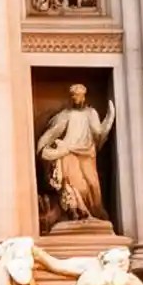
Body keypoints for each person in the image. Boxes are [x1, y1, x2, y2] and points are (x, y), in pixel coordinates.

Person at [36, 83, 115, 223]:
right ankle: (79, 212)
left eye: (77, 95)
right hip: (68, 151)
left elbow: (98, 132)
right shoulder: (65, 115)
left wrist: (109, 119)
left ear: (83, 96)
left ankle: (93, 212)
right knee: (75, 184)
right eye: (72, 95)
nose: (74, 98)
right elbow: (54, 132)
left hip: (87, 153)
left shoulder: (91, 113)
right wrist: (43, 144)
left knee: (92, 185)